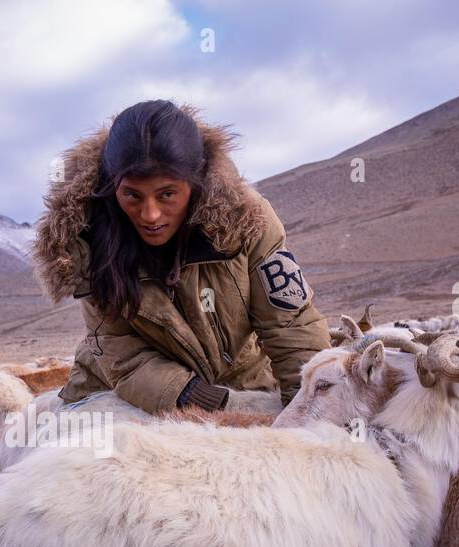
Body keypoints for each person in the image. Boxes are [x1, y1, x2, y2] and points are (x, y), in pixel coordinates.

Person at [34, 100, 332, 412]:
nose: (150, 214)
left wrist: (312, 409)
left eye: (167, 194)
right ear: (112, 189)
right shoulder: (86, 241)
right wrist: (200, 399)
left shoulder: (246, 222)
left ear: (196, 182)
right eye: (132, 195)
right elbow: (120, 353)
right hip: (122, 398)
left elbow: (291, 325)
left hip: (243, 388)